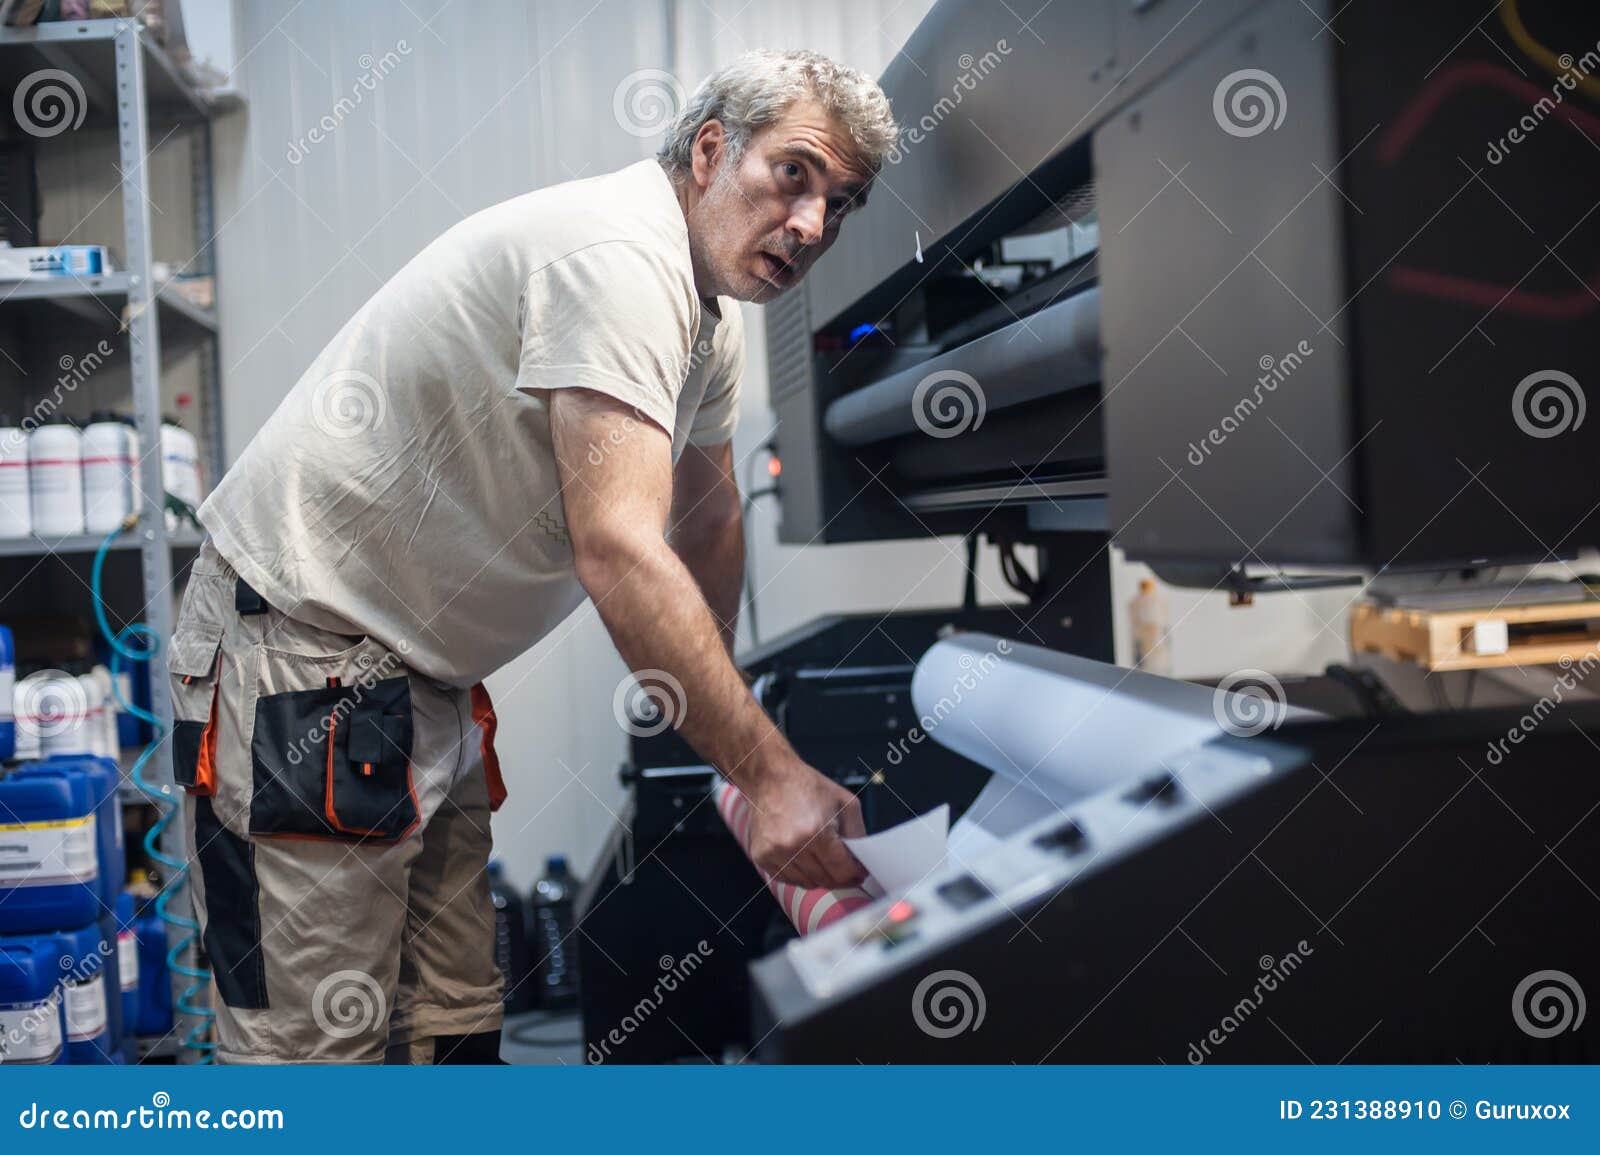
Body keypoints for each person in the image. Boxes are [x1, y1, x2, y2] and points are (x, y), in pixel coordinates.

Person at [167, 49, 899, 1063]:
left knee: (451, 1029)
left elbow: (708, 518)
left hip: (421, 679)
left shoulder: (706, 323)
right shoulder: (618, 256)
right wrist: (765, 774)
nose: (813, 226)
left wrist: (713, 727)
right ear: (710, 150)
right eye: (794, 176)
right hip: (302, 660)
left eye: (841, 204)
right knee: (313, 1056)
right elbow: (618, 549)